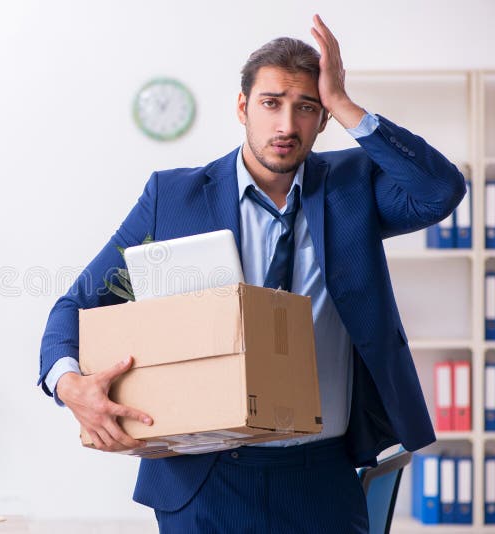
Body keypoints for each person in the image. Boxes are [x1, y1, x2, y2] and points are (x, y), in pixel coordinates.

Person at [38, 14, 465, 533]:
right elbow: (80, 303)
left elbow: (440, 190)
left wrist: (344, 103)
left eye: (306, 107)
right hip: (205, 477)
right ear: (242, 107)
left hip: (321, 476)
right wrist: (68, 383)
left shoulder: (353, 187)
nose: (286, 125)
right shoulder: (173, 198)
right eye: (271, 103)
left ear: (323, 119)